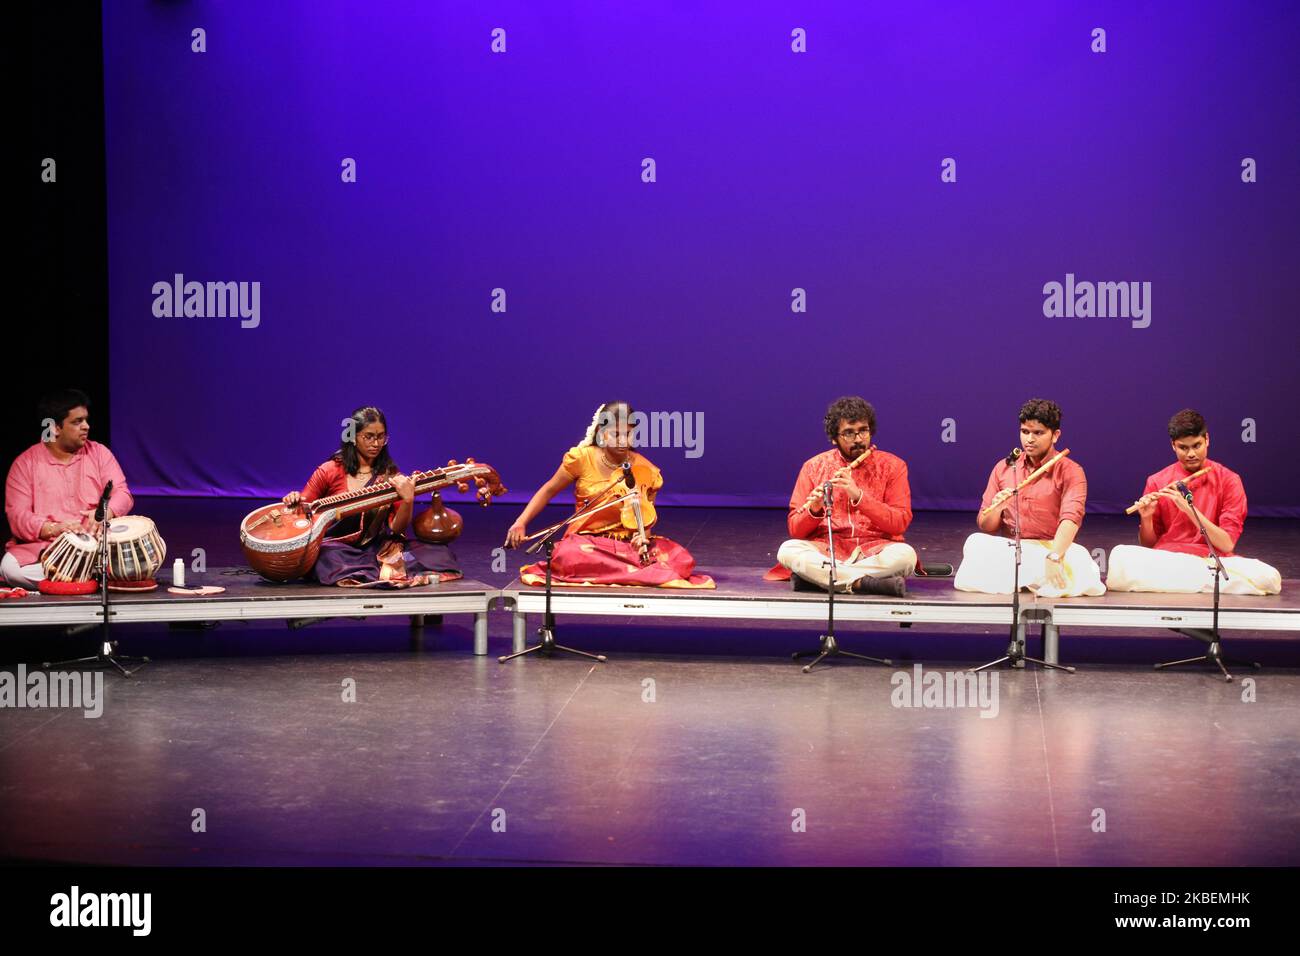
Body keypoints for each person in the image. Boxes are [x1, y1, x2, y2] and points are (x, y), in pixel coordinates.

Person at [504, 401, 714, 588]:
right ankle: (632, 572)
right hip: (586, 544)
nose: (624, 440)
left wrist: (641, 538)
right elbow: (548, 490)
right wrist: (521, 522)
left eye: (629, 434)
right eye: (616, 434)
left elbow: (645, 520)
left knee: (680, 558)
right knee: (569, 555)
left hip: (623, 546)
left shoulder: (647, 470)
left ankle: (619, 569)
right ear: (602, 433)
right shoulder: (581, 458)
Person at [1107, 409, 1281, 595]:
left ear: (1207, 439)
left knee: (1267, 576)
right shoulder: (1156, 481)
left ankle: (1180, 584)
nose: (1191, 454)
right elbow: (1149, 547)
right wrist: (1147, 518)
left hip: (1209, 561)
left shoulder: (1229, 480)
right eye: (1183, 448)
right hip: (1169, 560)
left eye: (1196, 446)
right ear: (1173, 445)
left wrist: (1188, 509)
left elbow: (1227, 544)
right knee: (1120, 556)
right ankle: (1192, 584)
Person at [281, 406, 460, 587]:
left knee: (440, 554)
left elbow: (397, 528)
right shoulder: (330, 470)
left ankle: (368, 573)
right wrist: (294, 499)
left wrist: (408, 500)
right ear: (352, 436)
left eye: (381, 437)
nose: (376, 444)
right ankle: (379, 573)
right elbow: (304, 508)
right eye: (369, 437)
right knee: (326, 558)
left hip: (375, 548)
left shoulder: (390, 475)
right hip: (336, 548)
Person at [954, 398, 1104, 597]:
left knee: (1077, 562)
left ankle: (1026, 578)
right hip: (1013, 550)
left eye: (1038, 433)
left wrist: (1054, 556)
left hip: (1052, 548)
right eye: (1025, 432)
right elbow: (985, 525)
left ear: (1055, 435)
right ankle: (1032, 579)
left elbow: (1071, 519)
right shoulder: (1005, 467)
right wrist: (998, 507)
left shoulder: (1071, 471)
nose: (1029, 439)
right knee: (975, 542)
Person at [772, 396, 916, 595]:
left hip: (875, 550)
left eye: (863, 431)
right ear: (834, 438)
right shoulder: (813, 467)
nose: (858, 439)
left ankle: (823, 580)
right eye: (849, 433)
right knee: (788, 549)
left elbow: (899, 523)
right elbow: (795, 530)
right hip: (827, 550)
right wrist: (814, 509)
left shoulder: (893, 466)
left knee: (906, 556)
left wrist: (859, 496)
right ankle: (863, 584)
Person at [4, 389, 132, 588]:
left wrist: (106, 513)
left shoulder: (99, 454)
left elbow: (122, 493)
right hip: (46, 551)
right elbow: (17, 516)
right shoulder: (25, 463)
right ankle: (85, 580)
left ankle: (68, 581)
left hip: (96, 547)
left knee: (131, 558)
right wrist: (54, 528)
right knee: (10, 568)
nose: (86, 427)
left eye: (86, 420)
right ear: (55, 428)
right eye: (77, 422)